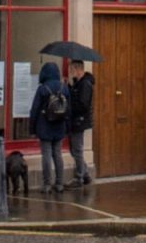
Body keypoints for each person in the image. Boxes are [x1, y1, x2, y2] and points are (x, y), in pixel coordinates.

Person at [29, 61, 71, 193]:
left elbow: (35, 109)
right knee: (57, 154)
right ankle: (59, 183)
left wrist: (32, 128)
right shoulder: (64, 87)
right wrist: (67, 127)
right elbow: (69, 109)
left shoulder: (42, 89)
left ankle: (47, 184)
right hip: (59, 125)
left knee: (46, 154)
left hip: (45, 125)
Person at [66, 59, 96, 186]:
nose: (71, 72)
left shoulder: (85, 84)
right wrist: (70, 86)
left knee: (77, 149)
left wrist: (71, 106)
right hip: (76, 120)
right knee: (73, 149)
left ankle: (79, 177)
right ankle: (85, 174)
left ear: (78, 69)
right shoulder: (79, 83)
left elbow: (83, 105)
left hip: (79, 120)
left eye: (72, 69)